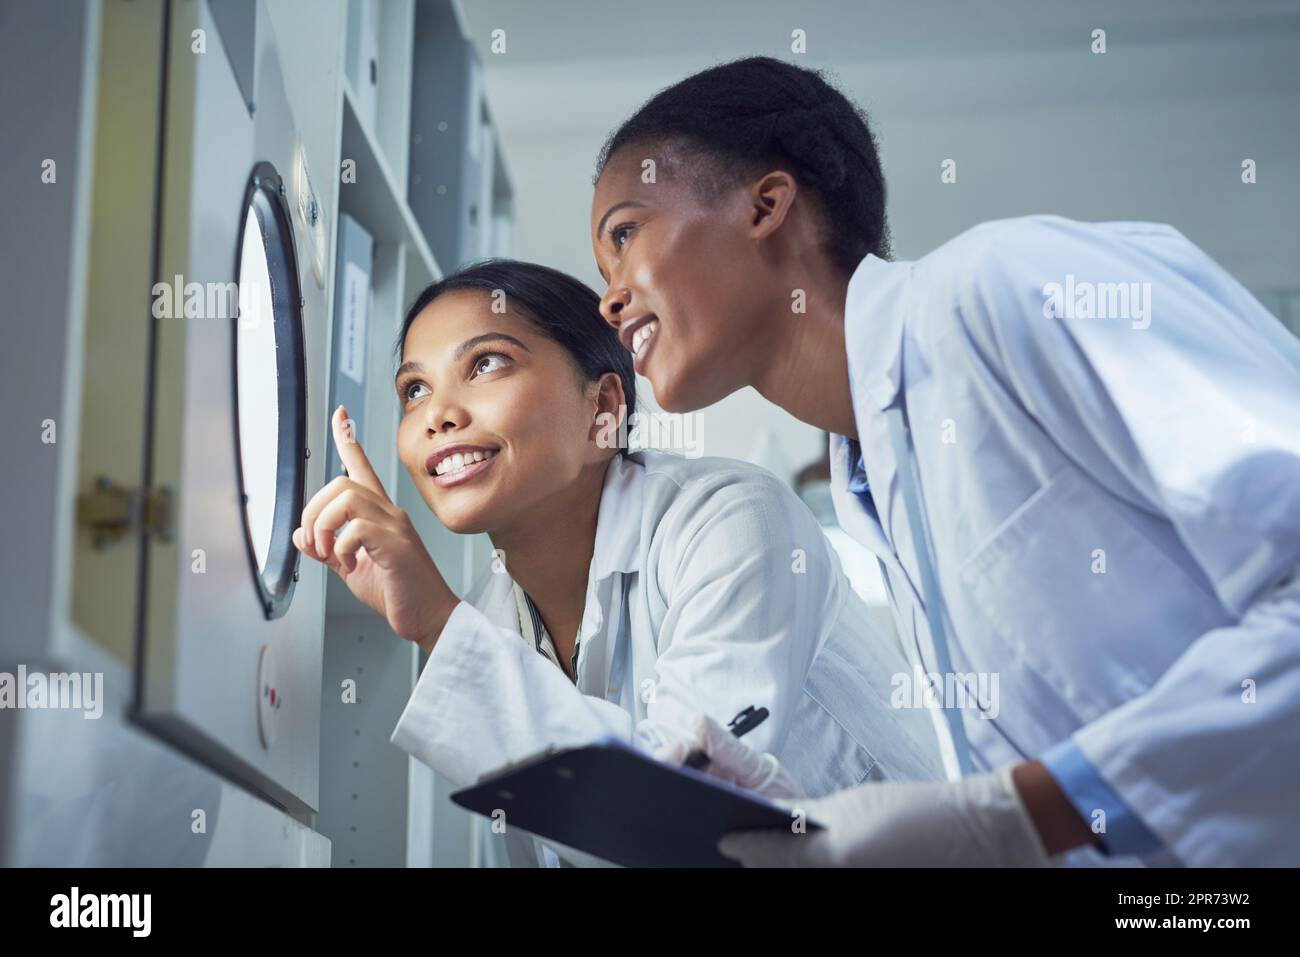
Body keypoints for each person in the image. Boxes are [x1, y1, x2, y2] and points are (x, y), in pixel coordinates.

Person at [589, 56, 1300, 866]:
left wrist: (1010, 815)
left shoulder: (999, 287)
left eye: (625, 233)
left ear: (766, 205)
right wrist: (826, 830)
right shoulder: (873, 481)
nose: (608, 297)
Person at [292, 259, 944, 866]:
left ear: (603, 408)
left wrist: (437, 620)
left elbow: (678, 822)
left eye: (486, 363)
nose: (438, 415)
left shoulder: (734, 521)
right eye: (414, 389)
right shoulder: (490, 618)